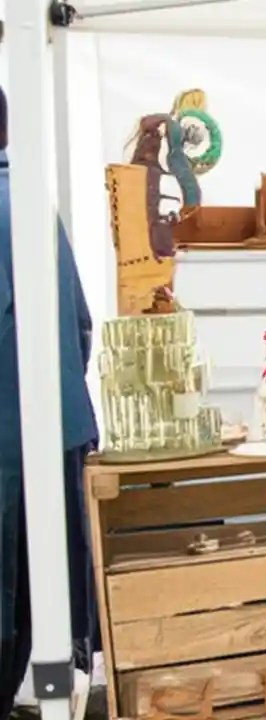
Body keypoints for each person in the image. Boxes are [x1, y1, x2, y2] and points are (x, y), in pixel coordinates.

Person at [0, 85, 100, 720]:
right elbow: (82, 324)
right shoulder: (34, 202)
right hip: (52, 435)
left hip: (10, 441)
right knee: (39, 605)